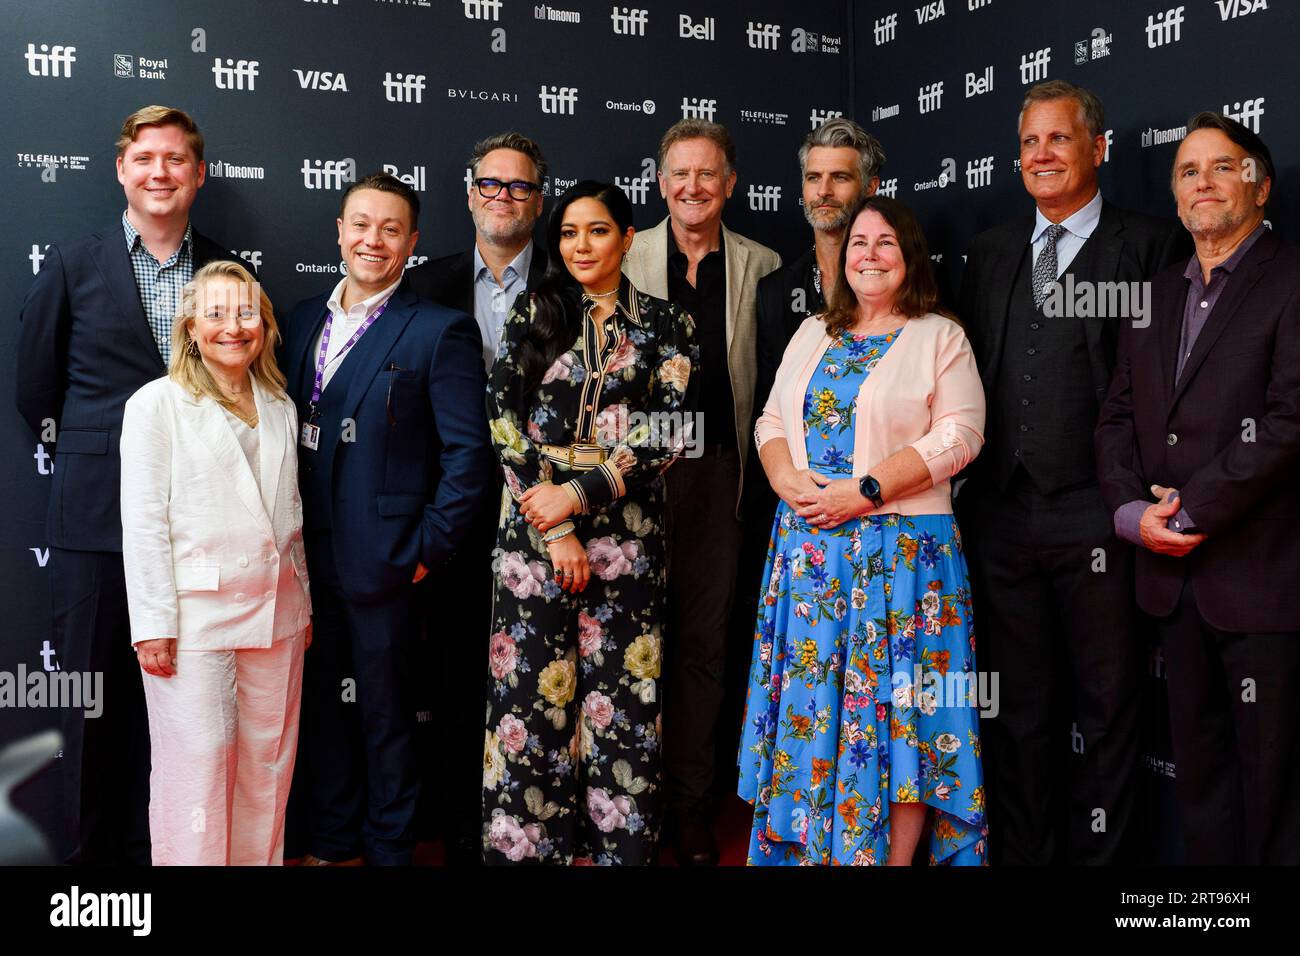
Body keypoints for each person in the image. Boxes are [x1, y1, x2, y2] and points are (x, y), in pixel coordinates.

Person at [956, 80, 1189, 865]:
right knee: (1019, 712)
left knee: (1110, 709)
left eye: (1059, 139)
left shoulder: (1151, 245)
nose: (1042, 155)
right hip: (1003, 518)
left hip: (1100, 514)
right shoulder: (991, 252)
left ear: (1099, 148)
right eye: (1029, 142)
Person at [15, 105, 253, 865]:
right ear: (122, 170)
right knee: (90, 705)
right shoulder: (73, 263)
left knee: (185, 714)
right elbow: (36, 389)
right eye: (145, 158)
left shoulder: (223, 271)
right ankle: (92, 868)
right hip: (92, 525)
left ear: (198, 175)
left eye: (176, 159)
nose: (160, 172)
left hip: (197, 533)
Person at [739, 195, 987, 866]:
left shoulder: (940, 336)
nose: (869, 254)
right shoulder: (812, 331)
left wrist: (869, 489)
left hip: (904, 558)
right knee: (814, 708)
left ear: (910, 259)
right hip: (812, 555)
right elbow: (769, 421)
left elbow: (962, 436)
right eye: (858, 243)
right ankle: (818, 852)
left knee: (903, 715)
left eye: (885, 243)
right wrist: (787, 480)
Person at [1095, 112, 1300, 865]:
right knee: (1201, 786)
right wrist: (1130, 514)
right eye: (1187, 171)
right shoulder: (1151, 296)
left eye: (1222, 166)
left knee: (1277, 794)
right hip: (1171, 584)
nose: (1203, 182)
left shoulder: (1292, 280)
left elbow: (1290, 421)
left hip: (1265, 583)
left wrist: (1193, 510)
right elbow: (1115, 419)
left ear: (1260, 184)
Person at [482, 181, 698, 865]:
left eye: (598, 230)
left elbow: (669, 436)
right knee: (530, 704)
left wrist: (576, 498)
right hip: (533, 535)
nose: (582, 245)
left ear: (628, 238)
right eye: (570, 232)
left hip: (629, 541)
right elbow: (501, 424)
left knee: (625, 707)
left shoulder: (670, 325)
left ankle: (621, 853)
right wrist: (553, 524)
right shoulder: (533, 312)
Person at [282, 172, 493, 866]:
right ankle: (332, 841)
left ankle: (390, 849)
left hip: (392, 561)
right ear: (339, 231)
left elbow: (469, 456)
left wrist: (427, 548)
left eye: (390, 229)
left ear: (412, 243)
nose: (373, 240)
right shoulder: (302, 316)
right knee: (324, 714)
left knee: (387, 720)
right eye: (361, 225)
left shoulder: (439, 330)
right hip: (306, 560)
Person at [622, 119, 780, 865]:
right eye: (679, 175)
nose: (693, 188)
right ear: (659, 184)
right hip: (630, 479)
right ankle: (629, 806)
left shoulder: (763, 264)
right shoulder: (623, 254)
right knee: (628, 647)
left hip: (718, 476)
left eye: (707, 175)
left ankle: (689, 808)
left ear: (731, 185)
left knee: (703, 651)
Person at [120, 261, 310, 865]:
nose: (234, 327)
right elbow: (143, 522)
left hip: (278, 614)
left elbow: (290, 515)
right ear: (191, 328)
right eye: (217, 313)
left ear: (266, 326)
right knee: (196, 770)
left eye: (246, 312)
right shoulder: (158, 405)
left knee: (268, 766)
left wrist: (302, 603)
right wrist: (152, 624)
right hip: (194, 621)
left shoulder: (280, 404)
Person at [404, 132, 550, 864]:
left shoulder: (568, 281)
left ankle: (535, 825)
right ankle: (465, 826)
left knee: (537, 678)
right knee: (459, 675)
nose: (503, 198)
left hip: (546, 515)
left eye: (519, 187)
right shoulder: (426, 284)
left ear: (539, 199)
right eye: (490, 185)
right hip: (455, 511)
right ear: (468, 193)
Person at [755, 117, 886, 417]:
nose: (823, 191)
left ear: (870, 187)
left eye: (840, 177)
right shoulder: (774, 292)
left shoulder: (901, 282)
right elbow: (766, 410)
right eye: (813, 177)